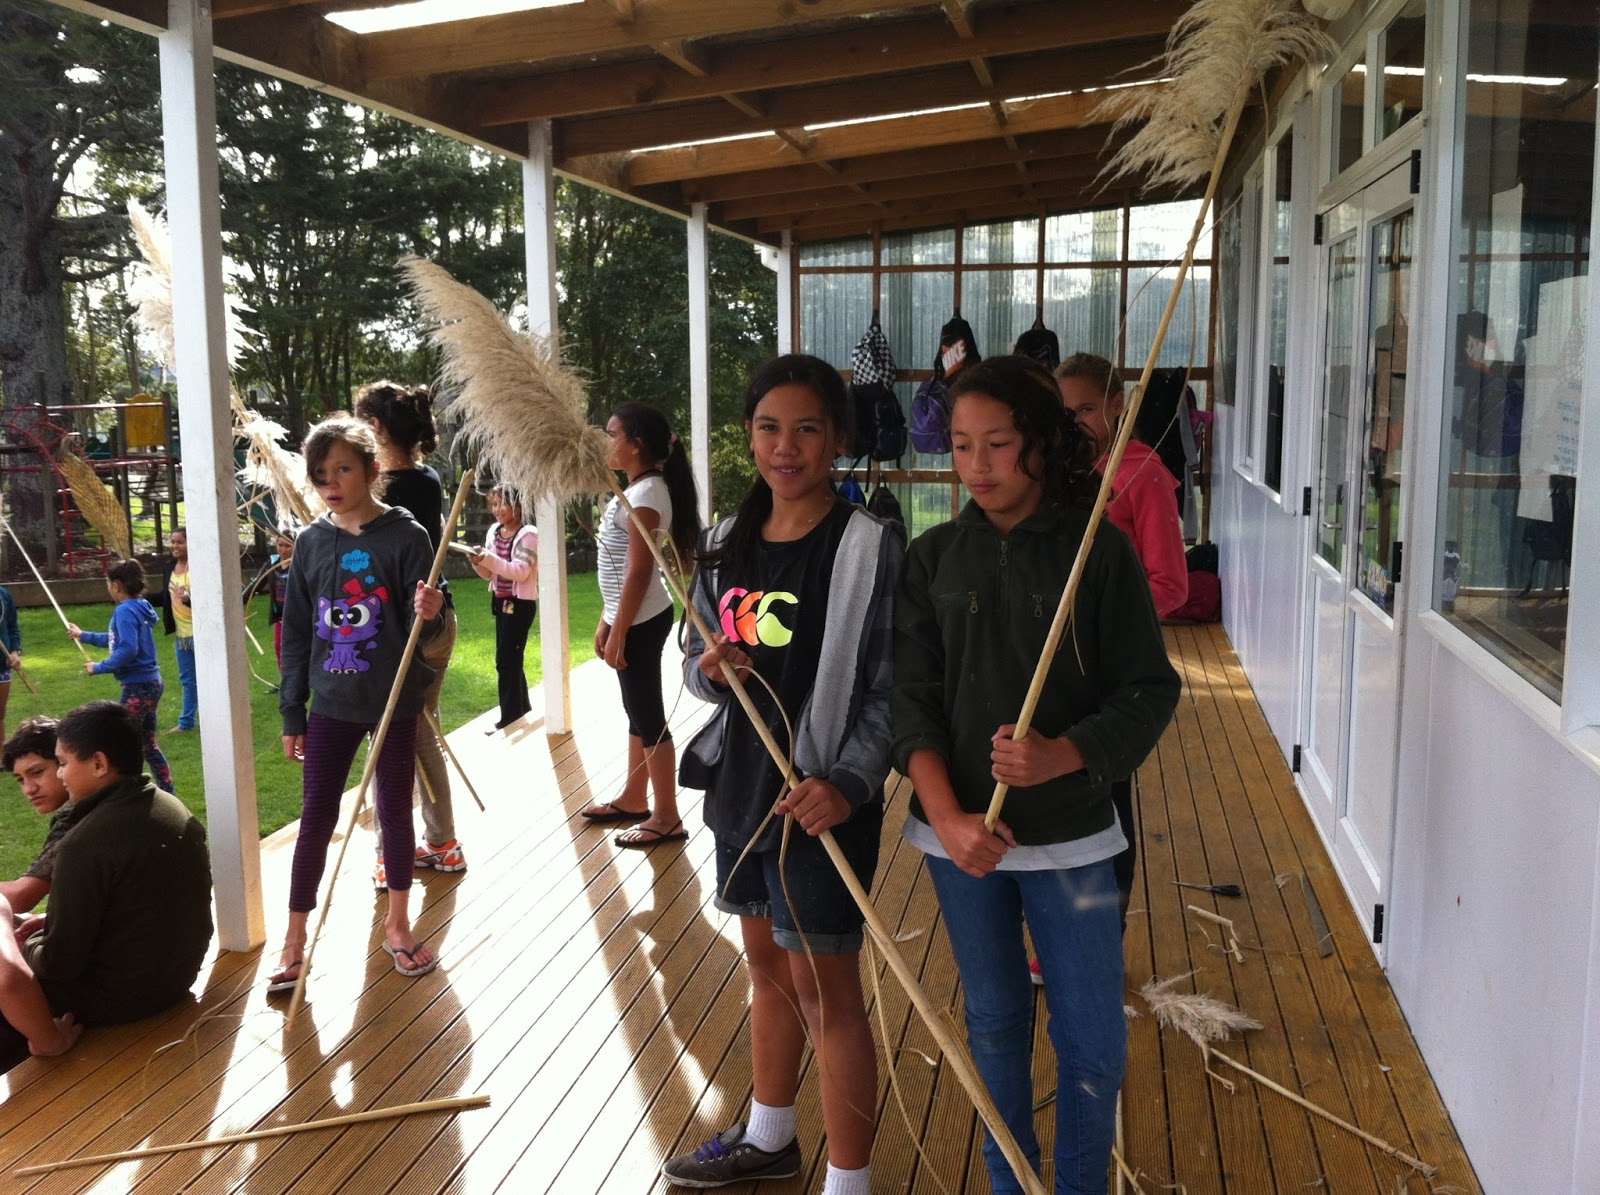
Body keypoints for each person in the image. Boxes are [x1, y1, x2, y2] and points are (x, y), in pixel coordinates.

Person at [892, 355, 1180, 1195]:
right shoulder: (934, 556)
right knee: (994, 1021)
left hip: (1074, 838)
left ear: (1044, 445)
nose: (977, 465)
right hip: (961, 841)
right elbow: (910, 701)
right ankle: (1011, 1182)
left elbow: (1150, 687)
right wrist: (945, 818)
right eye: (961, 445)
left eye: (1000, 443)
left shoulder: (1099, 550)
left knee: (1094, 1037)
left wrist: (1067, 751)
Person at [662, 355, 902, 1195]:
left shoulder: (869, 546)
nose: (786, 446)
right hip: (744, 793)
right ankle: (770, 1135)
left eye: (807, 428)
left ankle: (850, 1180)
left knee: (824, 986)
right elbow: (694, 658)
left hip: (822, 802)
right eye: (769, 427)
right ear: (748, 435)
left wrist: (849, 780)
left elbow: (891, 686)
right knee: (765, 967)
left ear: (837, 438)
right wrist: (711, 672)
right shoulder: (724, 544)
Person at [269, 413, 446, 994]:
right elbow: (296, 633)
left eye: (343, 468)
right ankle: (294, 941)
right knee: (317, 816)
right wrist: (293, 710)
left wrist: (431, 611)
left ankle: (398, 925)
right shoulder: (314, 542)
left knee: (395, 808)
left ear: (372, 469)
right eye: (321, 474)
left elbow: (427, 628)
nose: (331, 483)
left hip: (393, 699)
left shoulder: (408, 536)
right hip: (332, 704)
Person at [0, 700, 212, 1072]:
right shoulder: (167, 805)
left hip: (123, 1000)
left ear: (99, 764)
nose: (61, 776)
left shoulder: (85, 843)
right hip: (175, 979)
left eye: (62, 764)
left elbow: (56, 965)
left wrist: (28, 943)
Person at [1056, 352, 1188, 935]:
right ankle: (1058, 929)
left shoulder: (1142, 473)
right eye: (1063, 411)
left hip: (1108, 670)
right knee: (1049, 792)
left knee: (1103, 794)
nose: (1075, 421)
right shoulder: (1053, 472)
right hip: (1051, 659)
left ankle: (1101, 933)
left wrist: (1108, 626)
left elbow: (1171, 584)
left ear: (1117, 406)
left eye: (1086, 408)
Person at [355, 380, 466, 878]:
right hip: (439, 620)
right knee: (419, 733)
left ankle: (403, 847)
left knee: (398, 740)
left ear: (374, 427)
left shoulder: (386, 492)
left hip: (407, 629)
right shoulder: (425, 480)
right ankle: (436, 841)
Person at [580, 402, 701, 848]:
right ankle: (635, 797)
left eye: (611, 433)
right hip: (630, 617)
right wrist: (607, 618)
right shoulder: (637, 488)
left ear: (636, 445)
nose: (604, 440)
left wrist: (620, 628)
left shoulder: (648, 494)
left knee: (648, 714)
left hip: (642, 620)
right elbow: (617, 567)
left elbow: (639, 570)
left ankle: (667, 815)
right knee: (637, 711)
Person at [67, 558, 175, 795]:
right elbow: (116, 639)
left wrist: (100, 667)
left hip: (138, 687)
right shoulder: (139, 606)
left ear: (116, 585)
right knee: (147, 744)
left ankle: (130, 793)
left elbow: (127, 649)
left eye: (108, 583)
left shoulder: (124, 610)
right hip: (151, 683)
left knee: (122, 743)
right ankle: (167, 790)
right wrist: (82, 635)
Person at [468, 484, 537, 732]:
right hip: (501, 601)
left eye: (502, 503)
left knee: (506, 659)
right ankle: (522, 708)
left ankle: (510, 716)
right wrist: (477, 562)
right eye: (494, 504)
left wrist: (488, 558)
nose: (497, 510)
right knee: (510, 656)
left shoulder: (529, 534)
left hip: (520, 604)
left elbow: (520, 571)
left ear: (518, 505)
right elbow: (490, 574)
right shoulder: (494, 532)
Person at [1, 717, 78, 916]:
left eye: (36, 772)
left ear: (64, 762)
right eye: (20, 780)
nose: (29, 789)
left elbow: (20, 896)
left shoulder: (77, 815)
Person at [155, 527, 198, 733]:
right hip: (182, 636)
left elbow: (209, 602)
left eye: (180, 542)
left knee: (214, 679)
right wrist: (136, 595)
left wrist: (190, 601)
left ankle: (237, 709)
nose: (175, 546)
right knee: (188, 681)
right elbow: (165, 595)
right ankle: (186, 723)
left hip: (202, 633)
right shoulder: (170, 567)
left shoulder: (198, 567)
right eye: (172, 542)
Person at [0, 583, 20, 744]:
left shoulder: (3, 595)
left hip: (2, 665)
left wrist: (15, 652)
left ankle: (0, 756)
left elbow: (13, 628)